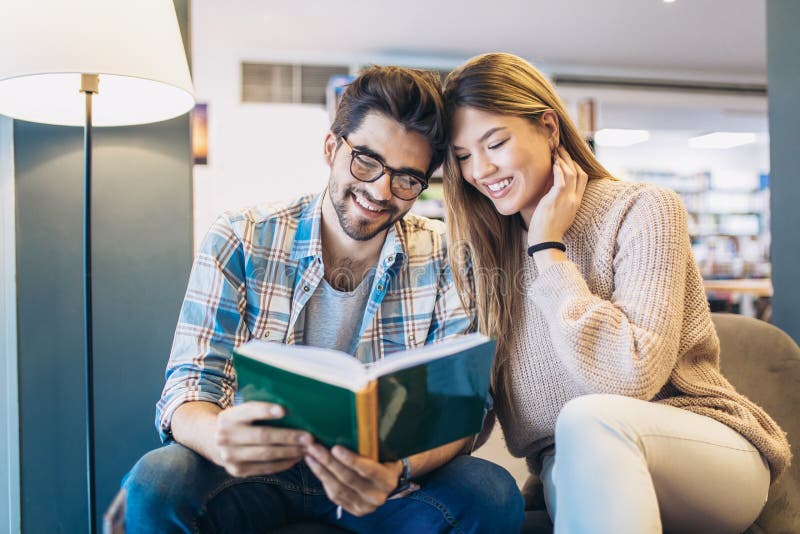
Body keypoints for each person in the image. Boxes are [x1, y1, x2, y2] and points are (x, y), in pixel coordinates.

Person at [123, 65, 524, 533]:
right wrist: (217, 437)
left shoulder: (450, 257)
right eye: (366, 161)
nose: (380, 191)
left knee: (491, 494)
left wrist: (396, 469)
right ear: (332, 147)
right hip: (256, 471)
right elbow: (189, 386)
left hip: (384, 479)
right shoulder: (240, 237)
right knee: (156, 482)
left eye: (407, 180)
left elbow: (462, 413)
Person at [442, 52, 791, 534]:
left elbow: (630, 376)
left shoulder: (642, 210)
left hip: (705, 453)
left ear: (548, 127)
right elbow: (473, 417)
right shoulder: (484, 259)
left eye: (495, 143)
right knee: (575, 447)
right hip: (570, 467)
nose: (480, 170)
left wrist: (549, 251)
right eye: (462, 157)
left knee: (590, 419)